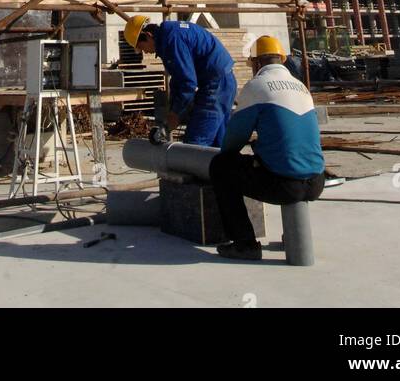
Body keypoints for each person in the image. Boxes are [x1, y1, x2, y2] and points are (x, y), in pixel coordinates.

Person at [209, 34, 325, 261]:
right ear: (281, 59)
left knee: (221, 167)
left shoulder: (257, 87)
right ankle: (293, 235)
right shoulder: (301, 87)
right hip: (316, 182)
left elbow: (232, 142)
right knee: (281, 161)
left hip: (284, 185)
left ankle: (245, 244)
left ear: (257, 63)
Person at [123, 14, 237, 148]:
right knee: (219, 144)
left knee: (195, 144)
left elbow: (187, 83)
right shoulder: (169, 37)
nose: (144, 52)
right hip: (221, 82)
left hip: (216, 86)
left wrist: (175, 114)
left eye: (141, 47)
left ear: (148, 35)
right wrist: (172, 110)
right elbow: (178, 79)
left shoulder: (172, 40)